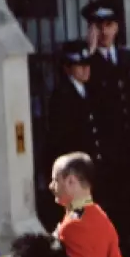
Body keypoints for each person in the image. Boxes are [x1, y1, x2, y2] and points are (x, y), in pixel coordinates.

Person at [82, 0, 130, 257]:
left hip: (126, 148)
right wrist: (89, 53)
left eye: (109, 25)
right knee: (106, 209)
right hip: (102, 150)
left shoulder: (128, 59)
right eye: (98, 26)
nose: (104, 32)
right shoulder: (86, 62)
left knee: (126, 209)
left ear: (117, 27)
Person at [43, 41, 104, 231]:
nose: (86, 69)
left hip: (89, 168)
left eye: (88, 64)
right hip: (75, 173)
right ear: (68, 68)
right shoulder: (62, 96)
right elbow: (63, 138)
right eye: (80, 65)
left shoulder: (89, 91)